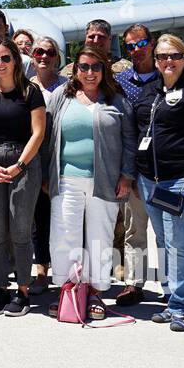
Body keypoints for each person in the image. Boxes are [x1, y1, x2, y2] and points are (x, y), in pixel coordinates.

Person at [131, 35, 184, 331]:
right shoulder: (150, 91)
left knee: (178, 244)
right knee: (162, 240)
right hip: (149, 180)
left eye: (174, 56)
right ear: (155, 60)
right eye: (162, 57)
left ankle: (180, 307)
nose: (168, 61)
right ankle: (170, 297)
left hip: (181, 179)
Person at [44, 46, 135, 320]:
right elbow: (46, 136)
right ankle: (68, 290)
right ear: (75, 69)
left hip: (104, 181)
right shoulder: (62, 96)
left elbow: (130, 140)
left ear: (104, 69)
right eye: (84, 67)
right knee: (64, 237)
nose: (90, 72)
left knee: (100, 238)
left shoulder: (116, 99)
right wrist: (45, 176)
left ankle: (95, 292)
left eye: (96, 67)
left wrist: (126, 175)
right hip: (65, 179)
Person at [0, 38, 47, 317]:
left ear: (15, 60)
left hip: (23, 161)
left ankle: (23, 291)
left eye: (5, 58)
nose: (0, 64)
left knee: (21, 231)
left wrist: (19, 165)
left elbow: (38, 133)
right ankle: (2, 288)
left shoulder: (31, 92)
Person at [112, 24, 161, 306]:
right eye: (129, 46)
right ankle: (134, 283)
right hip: (132, 166)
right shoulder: (120, 81)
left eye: (140, 44)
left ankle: (170, 283)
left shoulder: (168, 76)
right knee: (134, 229)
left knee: (167, 232)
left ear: (151, 43)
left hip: (165, 167)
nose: (136, 50)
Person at [28, 38, 66, 290]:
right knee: (39, 220)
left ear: (57, 57)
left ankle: (66, 272)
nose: (44, 56)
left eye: (49, 52)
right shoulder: (25, 87)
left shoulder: (69, 86)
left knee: (66, 221)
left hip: (64, 161)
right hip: (34, 161)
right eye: (39, 52)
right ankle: (41, 270)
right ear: (31, 56)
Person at [60, 19, 132, 78]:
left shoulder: (127, 68)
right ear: (86, 39)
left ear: (110, 39)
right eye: (91, 37)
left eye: (101, 37)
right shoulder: (69, 71)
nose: (95, 41)